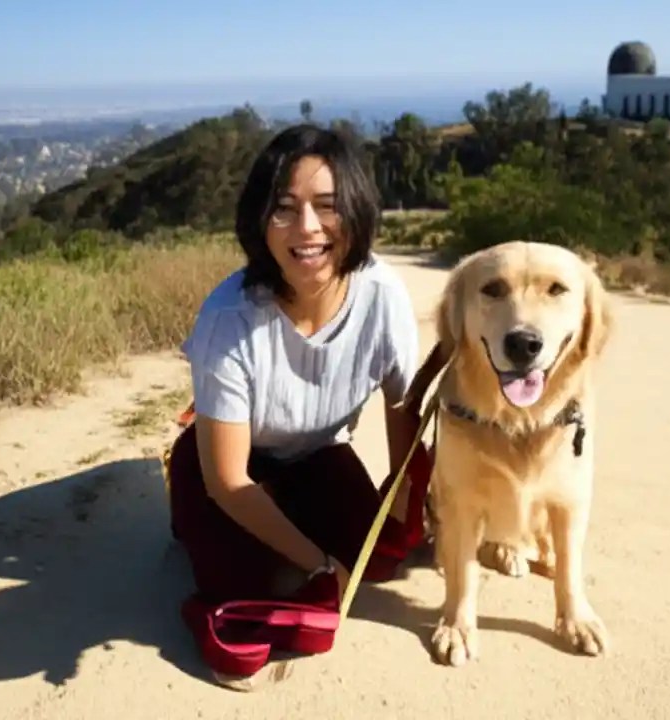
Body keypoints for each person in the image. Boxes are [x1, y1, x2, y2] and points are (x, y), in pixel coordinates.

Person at [165, 123, 430, 690]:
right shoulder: (228, 320)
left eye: (328, 207)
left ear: (356, 214)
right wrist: (315, 562)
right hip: (229, 469)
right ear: (260, 222)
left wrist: (408, 511)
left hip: (317, 456)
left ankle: (294, 523)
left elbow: (403, 413)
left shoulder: (383, 296)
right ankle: (186, 505)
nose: (307, 229)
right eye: (284, 208)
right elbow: (230, 480)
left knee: (380, 563)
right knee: (241, 588)